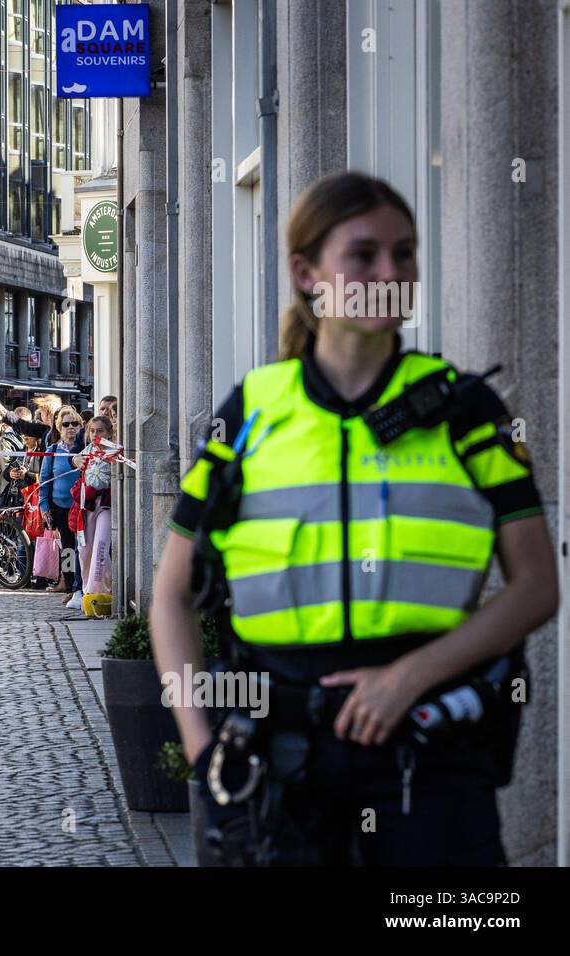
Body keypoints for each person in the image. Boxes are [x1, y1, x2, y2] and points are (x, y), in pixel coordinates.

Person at [151, 171, 558, 867]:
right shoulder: (252, 413)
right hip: (278, 765)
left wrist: (408, 676)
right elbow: (172, 594)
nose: (390, 272)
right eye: (364, 254)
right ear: (307, 273)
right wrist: (203, 751)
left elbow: (536, 585)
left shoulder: (463, 411)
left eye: (405, 253)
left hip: (428, 758)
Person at [37, 405, 84, 600]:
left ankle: (81, 585)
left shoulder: (84, 449)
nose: (71, 427)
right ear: (59, 427)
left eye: (75, 423)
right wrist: (44, 506)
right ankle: (69, 586)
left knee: (81, 546)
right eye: (66, 424)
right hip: (60, 506)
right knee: (67, 547)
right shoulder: (53, 449)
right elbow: (45, 479)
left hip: (81, 504)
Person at [76, 415, 115, 603]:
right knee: (85, 551)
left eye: (100, 431)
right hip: (88, 504)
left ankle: (99, 593)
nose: (95, 434)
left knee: (101, 547)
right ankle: (86, 591)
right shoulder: (87, 451)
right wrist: (75, 460)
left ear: (109, 433)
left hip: (106, 504)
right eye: (92, 430)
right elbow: (74, 459)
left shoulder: (114, 450)